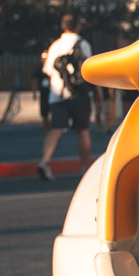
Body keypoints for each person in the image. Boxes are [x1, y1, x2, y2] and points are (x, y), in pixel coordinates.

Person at [38, 13, 93, 182]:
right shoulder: (83, 44)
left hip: (57, 94)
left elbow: (47, 70)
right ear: (78, 26)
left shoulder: (55, 45)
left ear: (63, 26)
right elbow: (89, 69)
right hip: (78, 95)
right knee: (82, 131)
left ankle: (45, 161)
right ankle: (85, 168)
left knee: (56, 129)